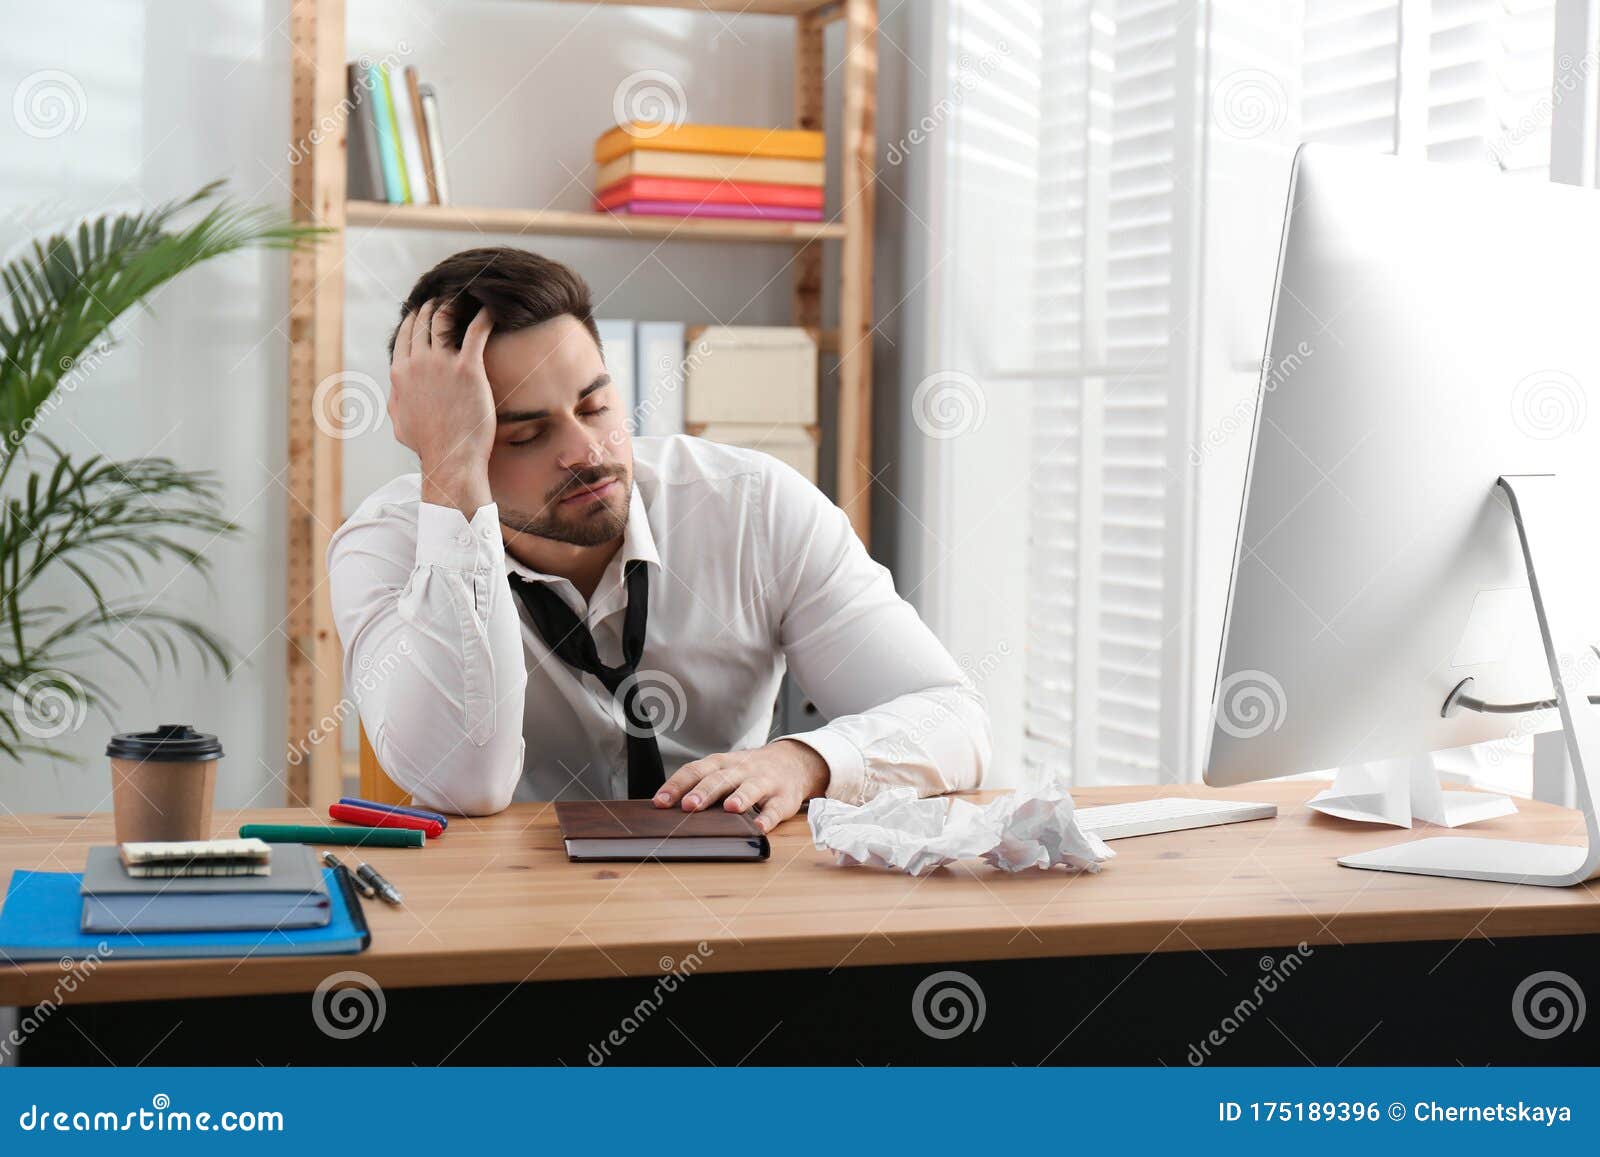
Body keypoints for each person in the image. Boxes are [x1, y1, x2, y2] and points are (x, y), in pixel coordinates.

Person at [327, 247, 991, 830]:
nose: (586, 451)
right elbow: (467, 783)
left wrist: (809, 759)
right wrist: (450, 474)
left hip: (728, 911)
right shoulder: (384, 548)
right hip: (509, 922)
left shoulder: (753, 508)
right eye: (526, 434)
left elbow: (955, 721)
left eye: (595, 405)